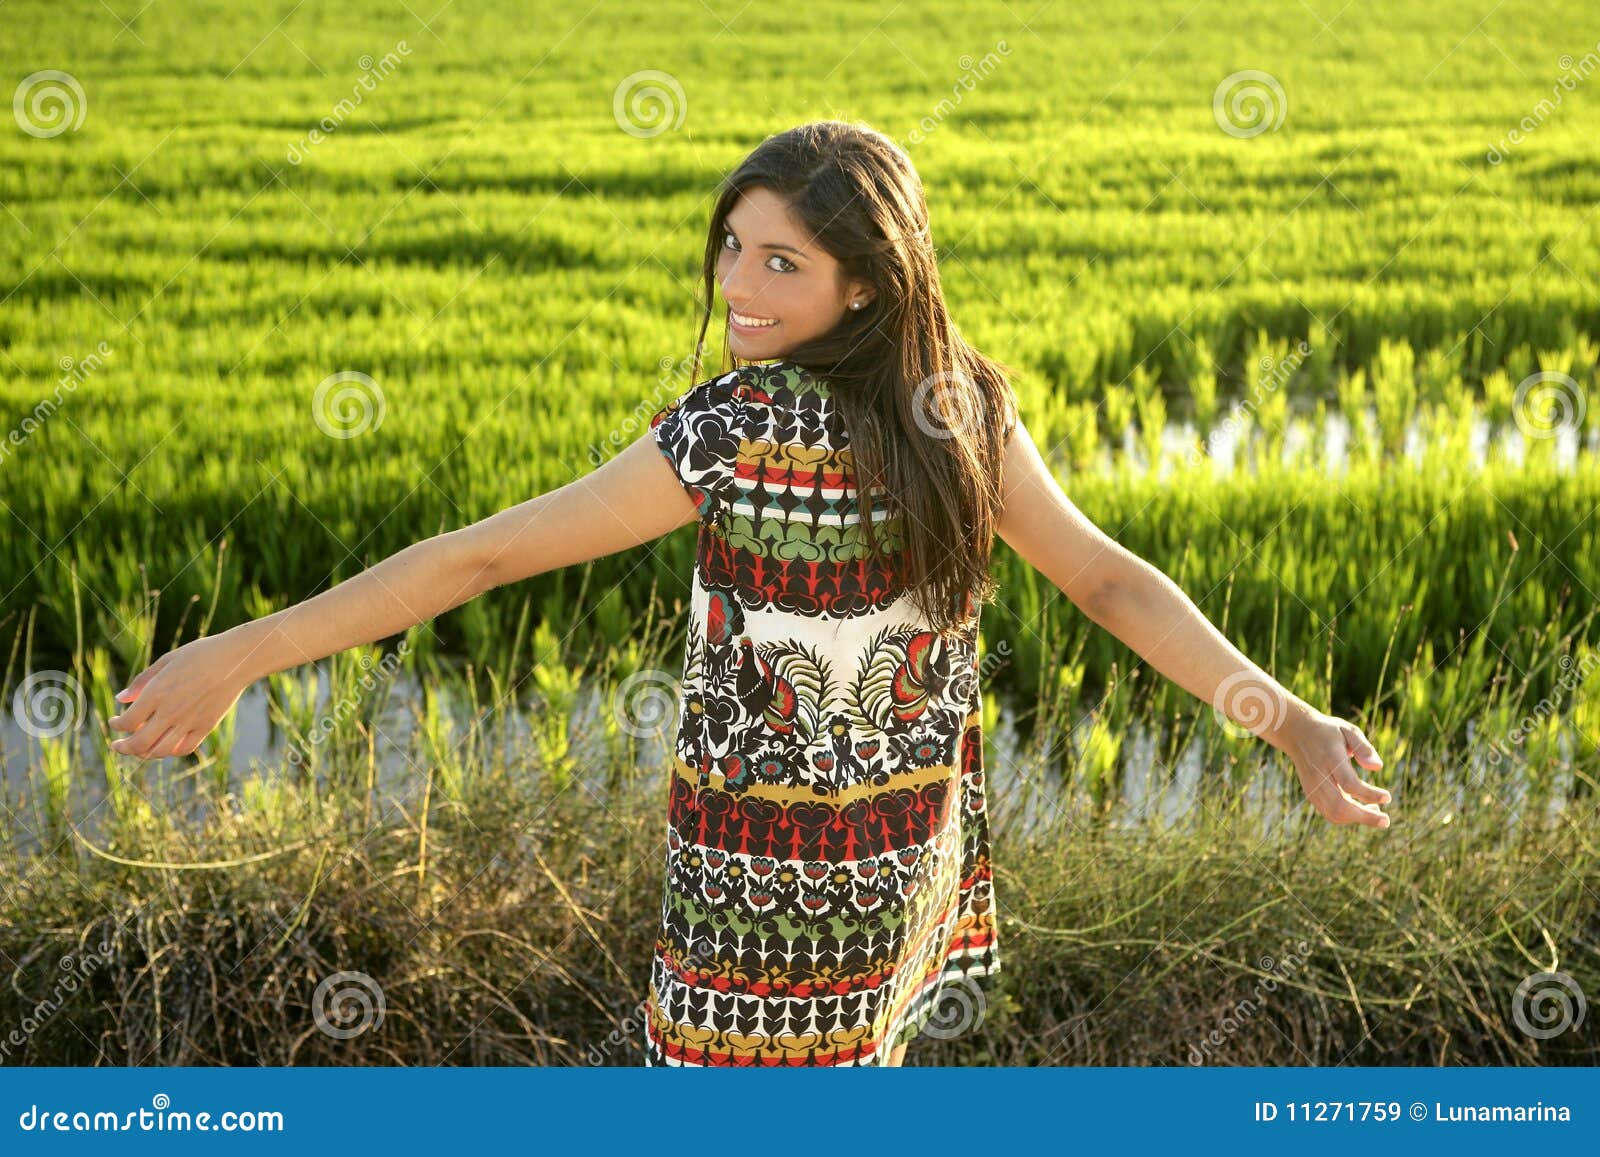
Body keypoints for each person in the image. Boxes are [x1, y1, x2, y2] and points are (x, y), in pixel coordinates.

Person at [106, 119, 1393, 1068]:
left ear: (866, 283)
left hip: (753, 906)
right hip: (898, 872)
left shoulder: (731, 430)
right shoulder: (965, 411)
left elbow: (480, 556)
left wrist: (241, 651)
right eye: (733, 247)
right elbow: (1107, 580)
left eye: (781, 262)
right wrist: (1287, 722)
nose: (734, 285)